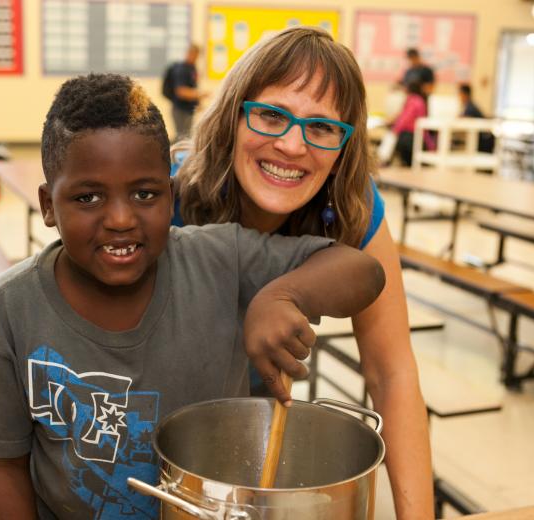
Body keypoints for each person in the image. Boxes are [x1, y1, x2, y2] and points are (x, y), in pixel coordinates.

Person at [0, 73, 386, 519]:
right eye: (88, 197)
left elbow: (361, 270)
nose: (120, 218)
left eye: (144, 194)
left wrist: (282, 295)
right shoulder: (7, 313)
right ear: (47, 205)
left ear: (170, 194)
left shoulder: (220, 258)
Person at [174, 27, 434, 519]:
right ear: (233, 116)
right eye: (271, 115)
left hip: (249, 435)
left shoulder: (355, 210)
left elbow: (392, 372)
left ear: (344, 149)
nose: (292, 146)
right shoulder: (169, 197)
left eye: (321, 127)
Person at [163, 44, 205, 141]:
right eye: (195, 55)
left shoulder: (192, 68)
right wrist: (199, 94)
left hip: (189, 109)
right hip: (180, 109)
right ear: (190, 53)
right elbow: (180, 91)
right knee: (182, 138)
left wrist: (198, 103)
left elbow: (192, 87)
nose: (196, 58)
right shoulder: (182, 69)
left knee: (186, 136)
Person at [392, 81, 433, 166]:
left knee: (395, 140)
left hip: (410, 137)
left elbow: (405, 118)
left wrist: (395, 130)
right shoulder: (421, 100)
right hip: (420, 136)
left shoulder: (412, 100)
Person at [459, 83, 496, 153]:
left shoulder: (470, 107)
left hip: (482, 140)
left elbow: (463, 119)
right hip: (481, 138)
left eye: (460, 94)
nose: (459, 97)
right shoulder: (469, 105)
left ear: (464, 94)